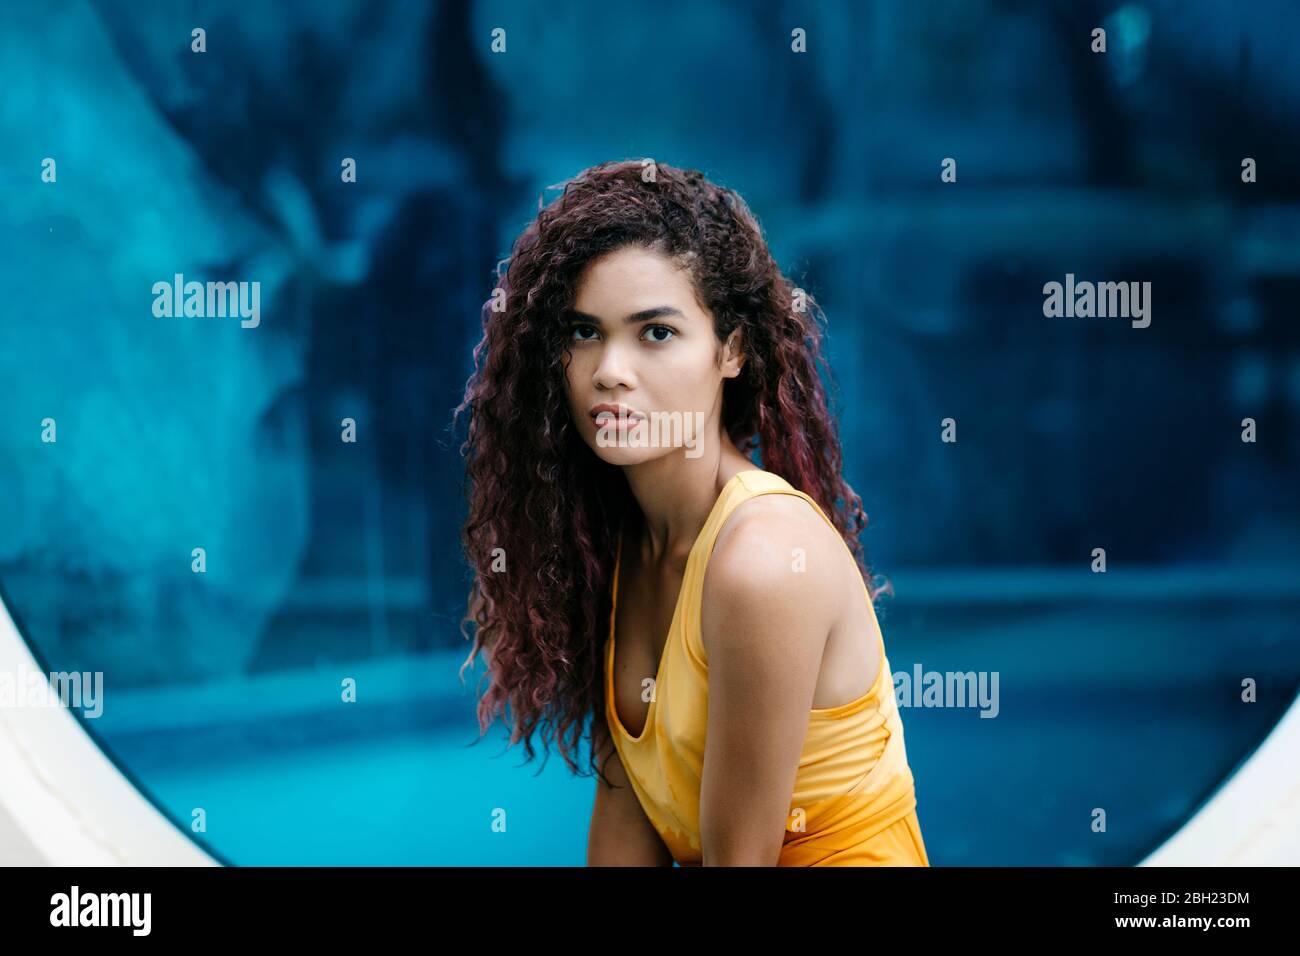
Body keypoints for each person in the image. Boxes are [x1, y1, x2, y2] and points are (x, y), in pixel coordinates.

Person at [455, 159, 929, 866]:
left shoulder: (761, 563)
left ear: (731, 350)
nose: (610, 369)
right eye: (585, 332)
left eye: (655, 333)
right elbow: (625, 828)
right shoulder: (620, 545)